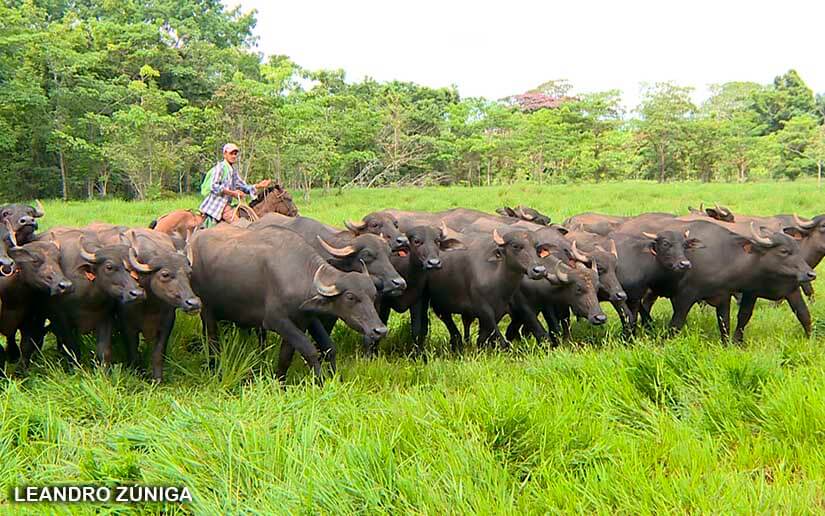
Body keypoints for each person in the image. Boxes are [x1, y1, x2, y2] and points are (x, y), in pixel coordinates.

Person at [199, 143, 270, 226]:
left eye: (235, 154)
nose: (233, 156)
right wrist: (233, 193)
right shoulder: (220, 168)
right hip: (218, 205)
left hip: (227, 205)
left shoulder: (233, 171)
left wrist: (258, 186)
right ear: (225, 154)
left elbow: (243, 186)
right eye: (231, 153)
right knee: (241, 226)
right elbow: (214, 186)